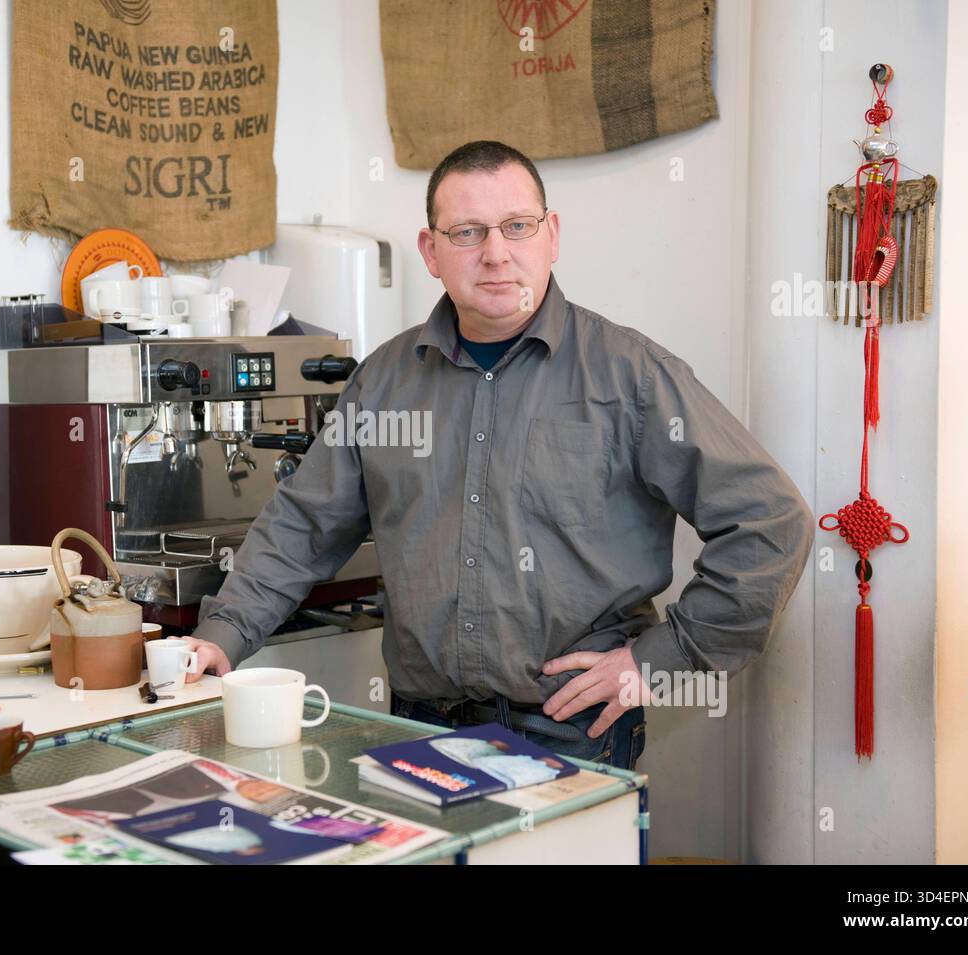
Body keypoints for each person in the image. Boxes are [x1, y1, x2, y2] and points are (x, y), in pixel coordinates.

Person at [183, 140, 814, 771]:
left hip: (571, 733)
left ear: (552, 235)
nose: (495, 253)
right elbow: (304, 523)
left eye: (517, 226)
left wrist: (664, 659)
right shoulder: (384, 382)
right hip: (417, 727)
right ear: (431, 252)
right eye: (467, 232)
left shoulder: (632, 377)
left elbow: (769, 522)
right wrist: (224, 634)